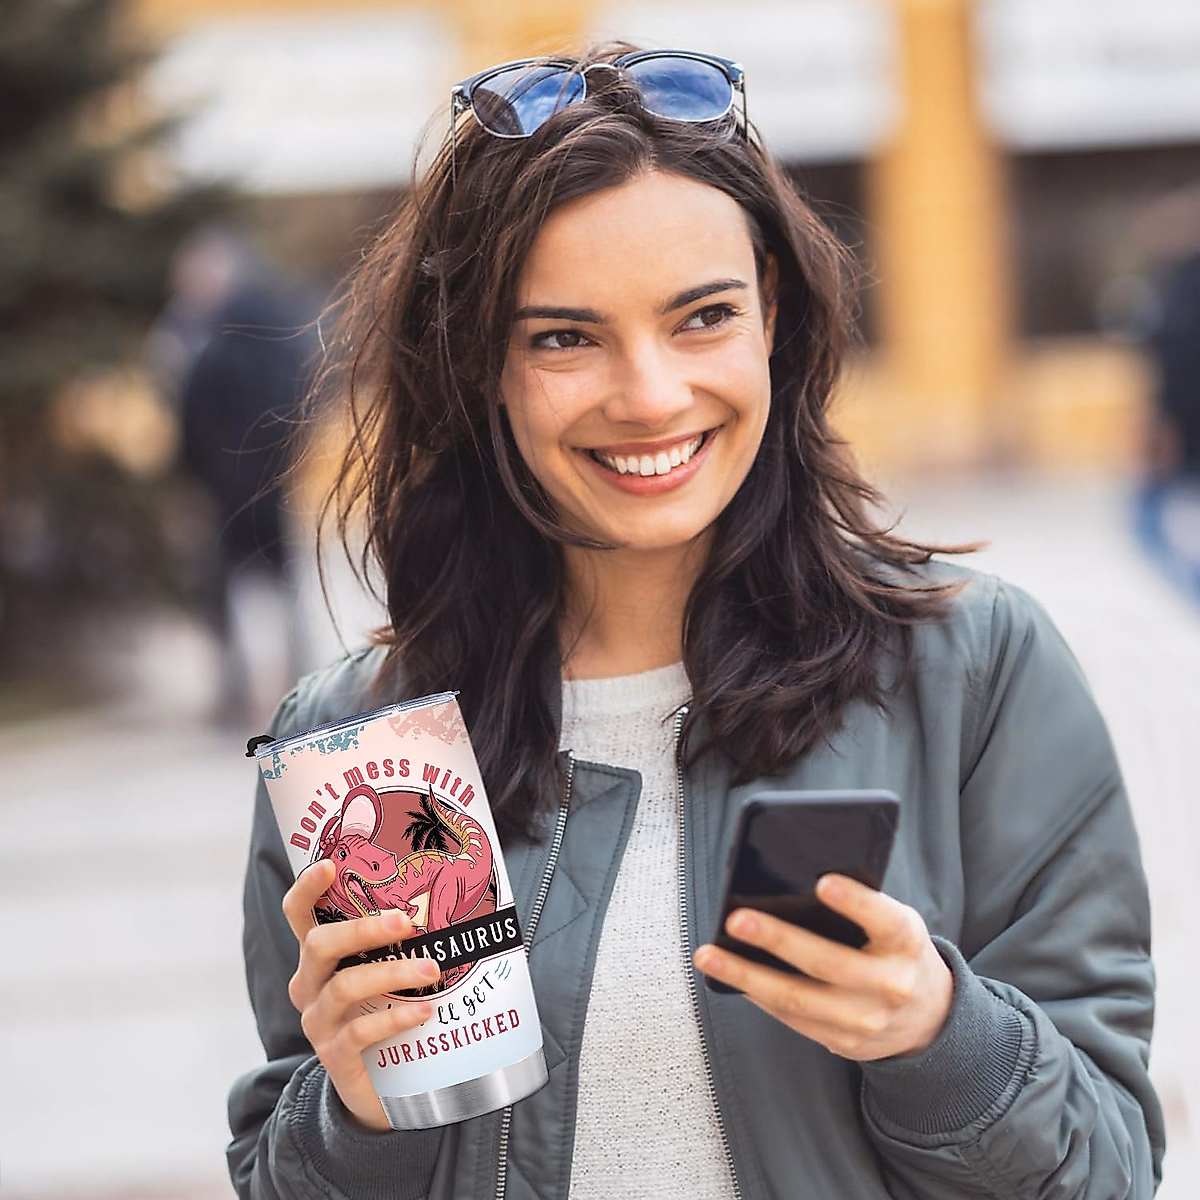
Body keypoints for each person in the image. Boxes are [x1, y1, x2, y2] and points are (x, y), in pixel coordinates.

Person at [227, 44, 1164, 1199]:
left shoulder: (973, 672)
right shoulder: (366, 750)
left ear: (772, 313)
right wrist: (358, 1114)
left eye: (702, 316)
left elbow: (1109, 1169)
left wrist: (940, 1033)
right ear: (482, 364)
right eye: (565, 337)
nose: (652, 395)